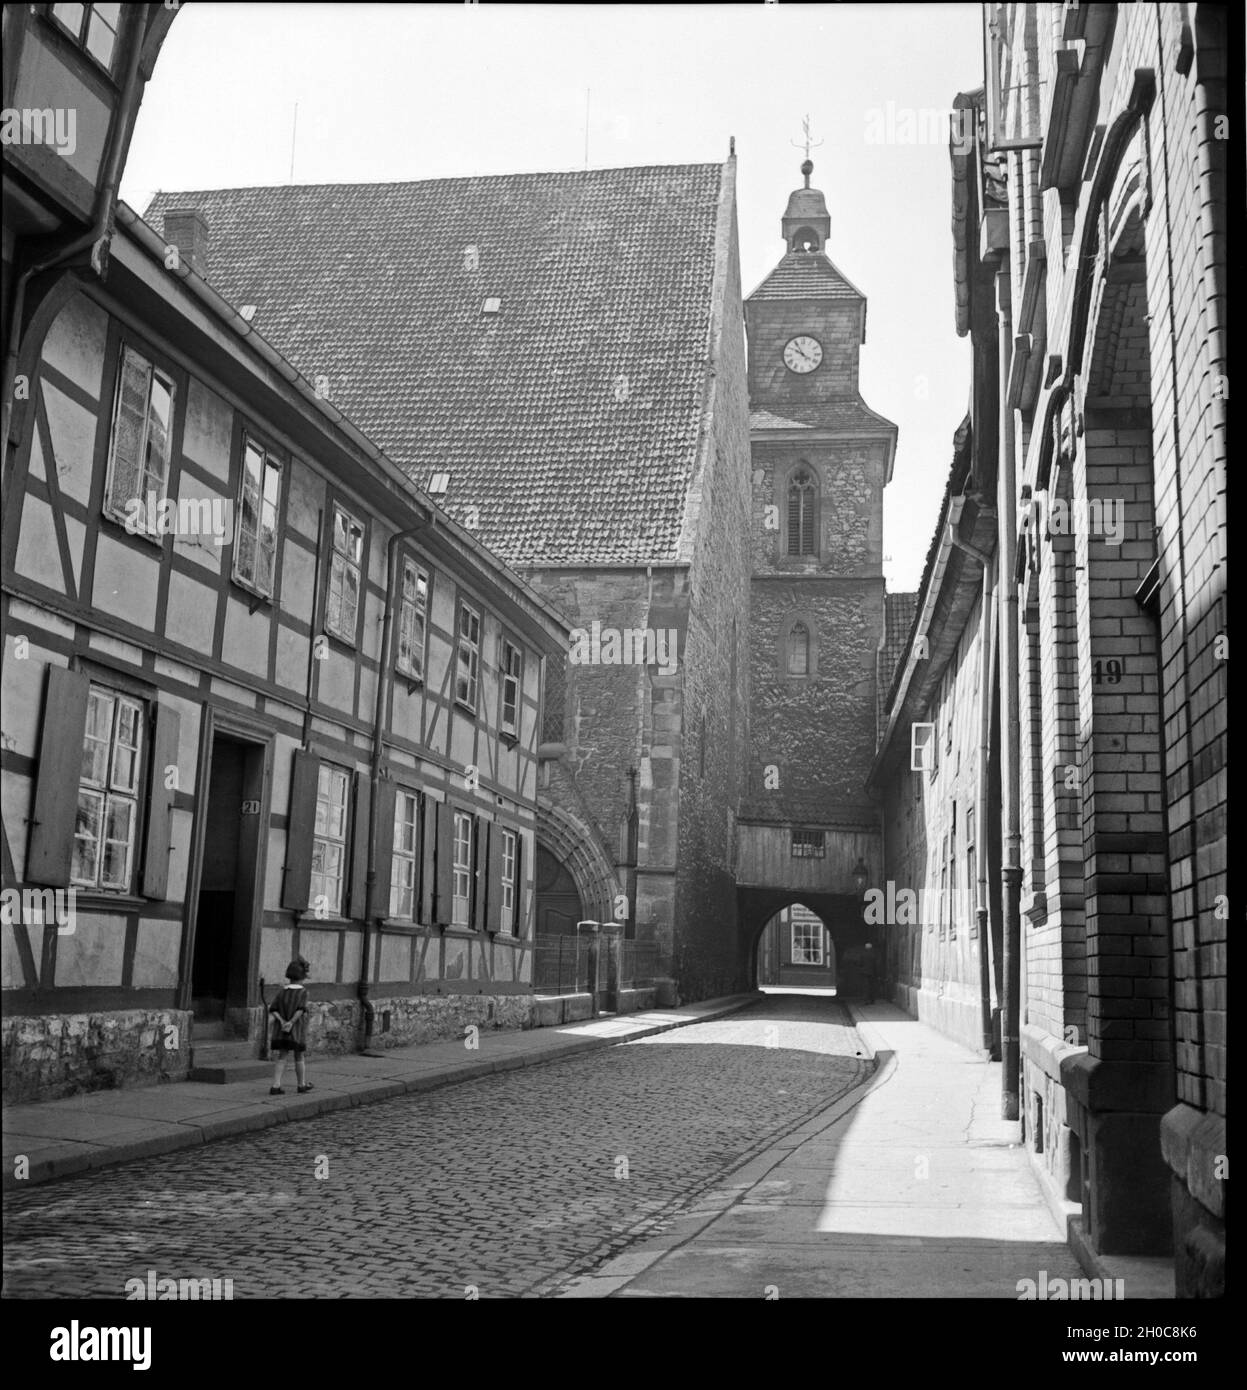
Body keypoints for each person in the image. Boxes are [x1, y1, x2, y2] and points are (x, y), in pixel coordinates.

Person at [268, 957, 312, 1095]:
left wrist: (282, 1022)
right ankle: (301, 1084)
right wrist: (291, 1022)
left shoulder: (282, 991)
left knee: (282, 1055)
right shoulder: (303, 992)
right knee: (299, 1056)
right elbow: (300, 1009)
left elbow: (273, 1009)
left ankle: (276, 1085)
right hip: (296, 1029)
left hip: (282, 1030)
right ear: (303, 976)